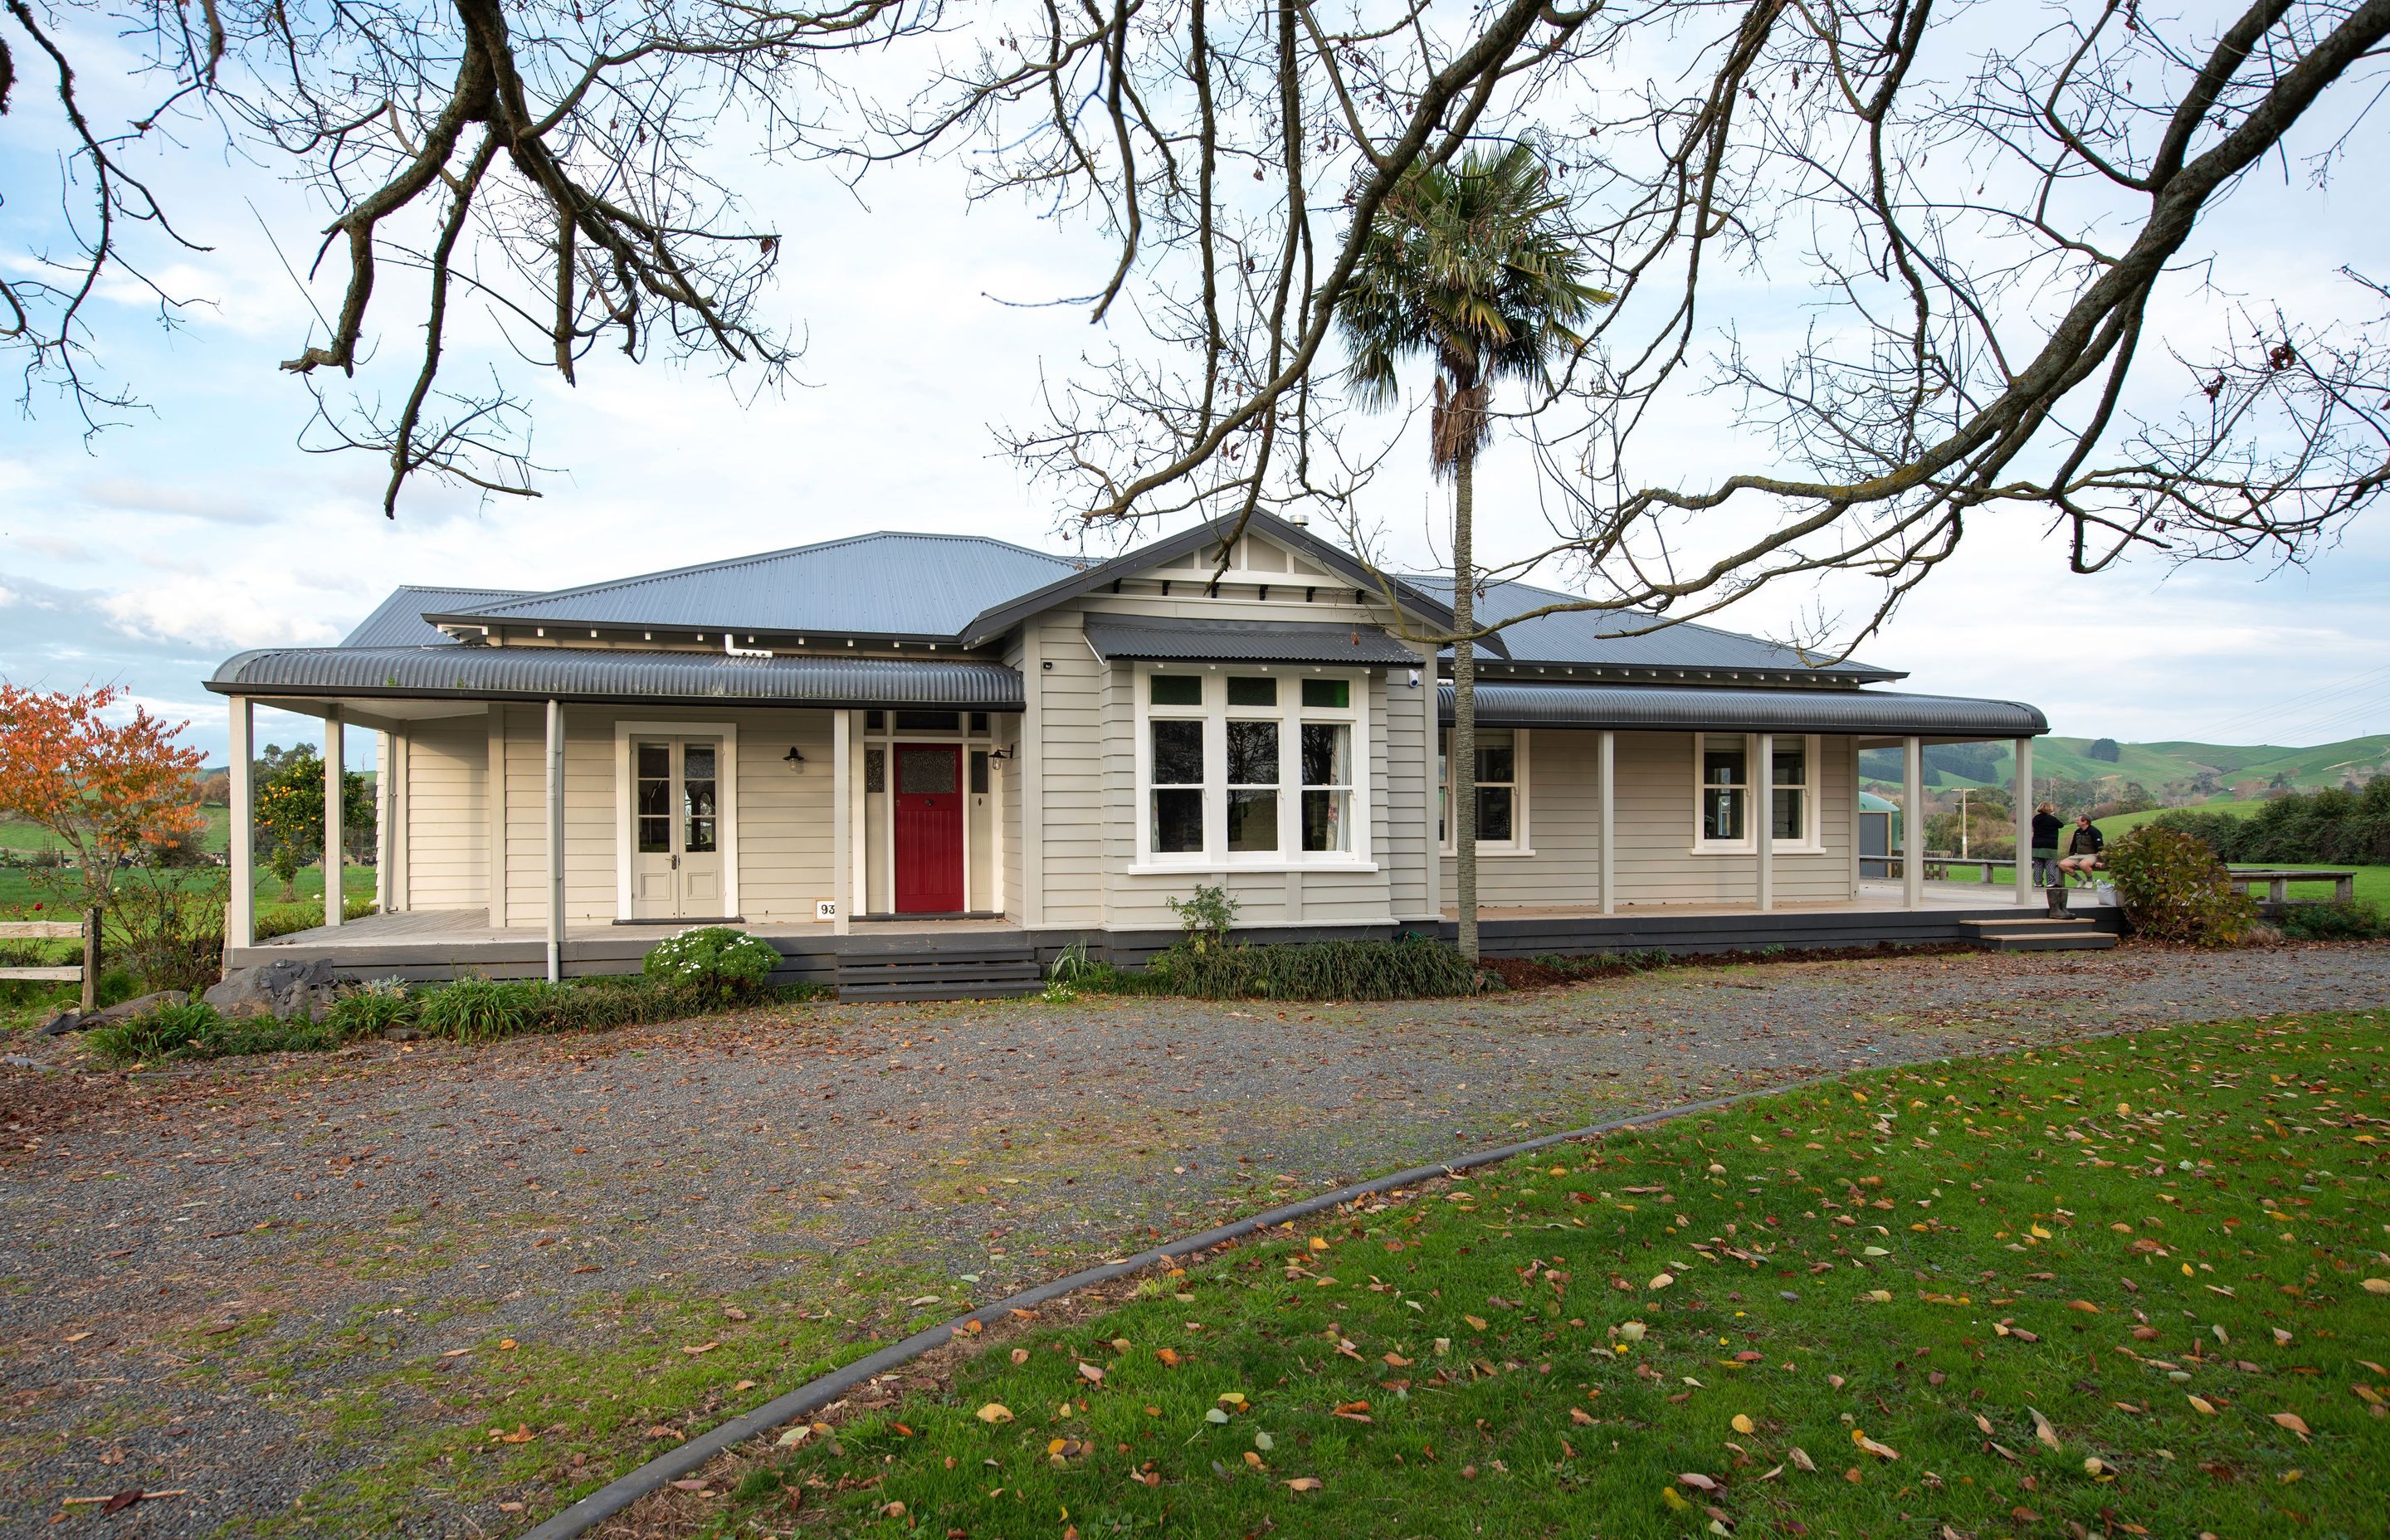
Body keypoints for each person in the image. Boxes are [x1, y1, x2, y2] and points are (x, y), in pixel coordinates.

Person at [2056, 813, 2106, 884]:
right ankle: (2080, 880)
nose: (2076, 821)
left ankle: (2089, 880)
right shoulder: (2078, 832)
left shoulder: (2094, 831)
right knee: (2062, 864)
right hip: (2078, 855)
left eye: (2078, 820)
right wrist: (2071, 855)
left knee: (2083, 865)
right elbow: (2073, 845)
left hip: (2091, 855)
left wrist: (2100, 859)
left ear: (2085, 821)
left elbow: (2100, 847)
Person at [2030, 801, 2063, 887]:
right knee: (2050, 864)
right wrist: (2052, 816)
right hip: (2050, 844)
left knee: (2038, 864)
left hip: (2036, 843)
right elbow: (2061, 825)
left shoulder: (2036, 818)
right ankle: (2051, 882)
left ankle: (2038, 882)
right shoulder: (2052, 819)